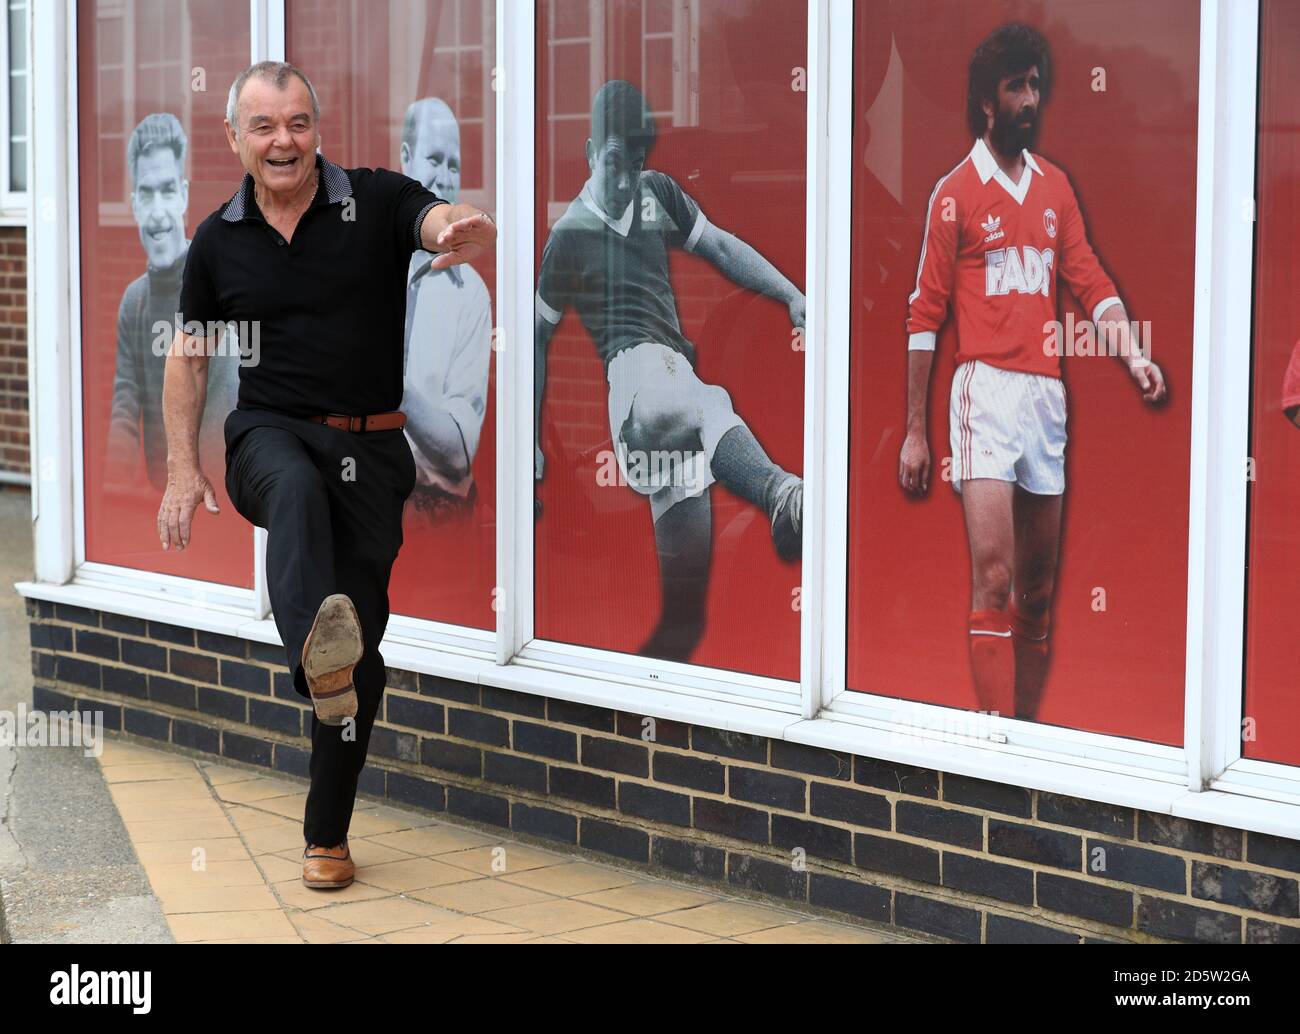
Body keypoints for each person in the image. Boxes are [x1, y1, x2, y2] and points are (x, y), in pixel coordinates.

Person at [155, 61, 495, 889]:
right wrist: (178, 470)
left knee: (362, 656)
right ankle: (317, 662)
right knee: (298, 495)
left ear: (319, 131)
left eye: (298, 123)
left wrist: (451, 225)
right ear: (235, 138)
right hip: (268, 440)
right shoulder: (217, 240)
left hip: (372, 454)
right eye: (264, 126)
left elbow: (428, 215)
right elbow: (190, 357)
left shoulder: (370, 201)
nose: (284, 141)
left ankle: (327, 838)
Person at [897, 24, 1166, 720]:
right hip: (983, 391)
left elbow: (1089, 279)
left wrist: (1133, 355)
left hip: (1045, 397)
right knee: (994, 575)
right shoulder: (953, 193)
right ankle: (994, 752)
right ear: (986, 102)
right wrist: (915, 434)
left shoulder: (1056, 188)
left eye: (1035, 85)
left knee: (1038, 593)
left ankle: (1025, 733)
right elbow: (923, 315)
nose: (1029, 99)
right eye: (1016, 86)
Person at [534, 79, 805, 663]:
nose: (626, 179)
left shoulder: (657, 193)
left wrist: (791, 296)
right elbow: (535, 339)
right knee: (713, 404)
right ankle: (782, 494)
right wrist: (531, 440)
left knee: (684, 620)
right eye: (614, 163)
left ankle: (645, 714)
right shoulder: (568, 237)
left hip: (675, 388)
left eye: (635, 164)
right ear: (589, 153)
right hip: (637, 387)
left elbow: (723, 248)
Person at [107, 113, 235, 491]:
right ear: (133, 204)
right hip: (160, 498)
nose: (158, 211)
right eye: (147, 193)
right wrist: (116, 490)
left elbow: (220, 413)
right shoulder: (134, 302)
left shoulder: (216, 280)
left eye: (167, 191)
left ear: (183, 195)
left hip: (216, 496)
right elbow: (125, 408)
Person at [398, 97, 493, 524]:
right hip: (355, 494)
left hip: (435, 512)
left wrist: (388, 387)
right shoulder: (360, 267)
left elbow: (457, 454)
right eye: (433, 159)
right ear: (405, 159)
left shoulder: (469, 295)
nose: (444, 177)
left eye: (453, 165)